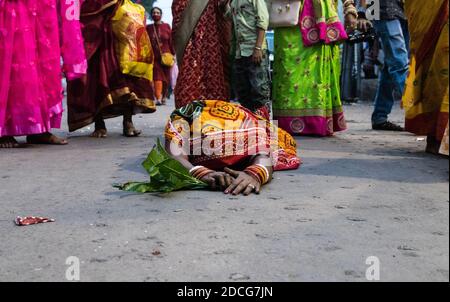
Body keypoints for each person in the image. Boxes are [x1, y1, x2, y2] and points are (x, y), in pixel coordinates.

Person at [165, 100, 301, 195]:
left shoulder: (253, 127)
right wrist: (200, 173)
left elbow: (263, 155)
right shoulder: (183, 119)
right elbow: (173, 154)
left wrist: (254, 174)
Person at [0, 0, 86, 148]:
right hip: (13, 6)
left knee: (46, 65)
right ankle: (5, 130)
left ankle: (40, 129)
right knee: (15, 62)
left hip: (43, 6)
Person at [67, 0, 156, 138]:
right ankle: (99, 124)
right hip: (95, 32)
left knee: (126, 80)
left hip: (118, 30)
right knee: (97, 78)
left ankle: (128, 122)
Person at [272, 0, 357, 136]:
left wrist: (350, 9)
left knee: (317, 73)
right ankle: (287, 122)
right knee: (288, 70)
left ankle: (318, 122)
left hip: (322, 18)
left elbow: (369, 5)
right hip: (290, 15)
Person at [402, 0, 449, 155]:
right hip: (388, 15)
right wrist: (367, 14)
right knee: (435, 73)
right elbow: (371, 3)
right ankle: (434, 136)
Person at [172, 0, 232, 108]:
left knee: (213, 76)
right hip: (191, 46)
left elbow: (224, 11)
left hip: (213, 44)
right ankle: (188, 113)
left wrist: (223, 5)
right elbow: (179, 18)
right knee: (189, 78)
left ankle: (212, 113)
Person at [362, 0, 410, 131]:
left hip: (404, 10)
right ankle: (418, 113)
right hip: (382, 9)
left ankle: (380, 116)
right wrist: (363, 14)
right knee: (399, 63)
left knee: (392, 65)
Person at [224, 0, 271, 120]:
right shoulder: (234, 2)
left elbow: (263, 21)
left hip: (254, 49)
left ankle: (266, 129)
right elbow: (229, 17)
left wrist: (258, 48)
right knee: (242, 92)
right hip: (240, 52)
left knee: (259, 92)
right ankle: (251, 127)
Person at [146, 7, 175, 106]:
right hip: (154, 57)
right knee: (156, 77)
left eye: (158, 12)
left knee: (166, 79)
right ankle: (157, 97)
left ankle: (163, 97)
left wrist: (174, 54)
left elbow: (171, 41)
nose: (155, 14)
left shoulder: (166, 26)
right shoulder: (148, 28)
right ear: (151, 15)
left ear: (161, 15)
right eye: (153, 12)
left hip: (166, 56)